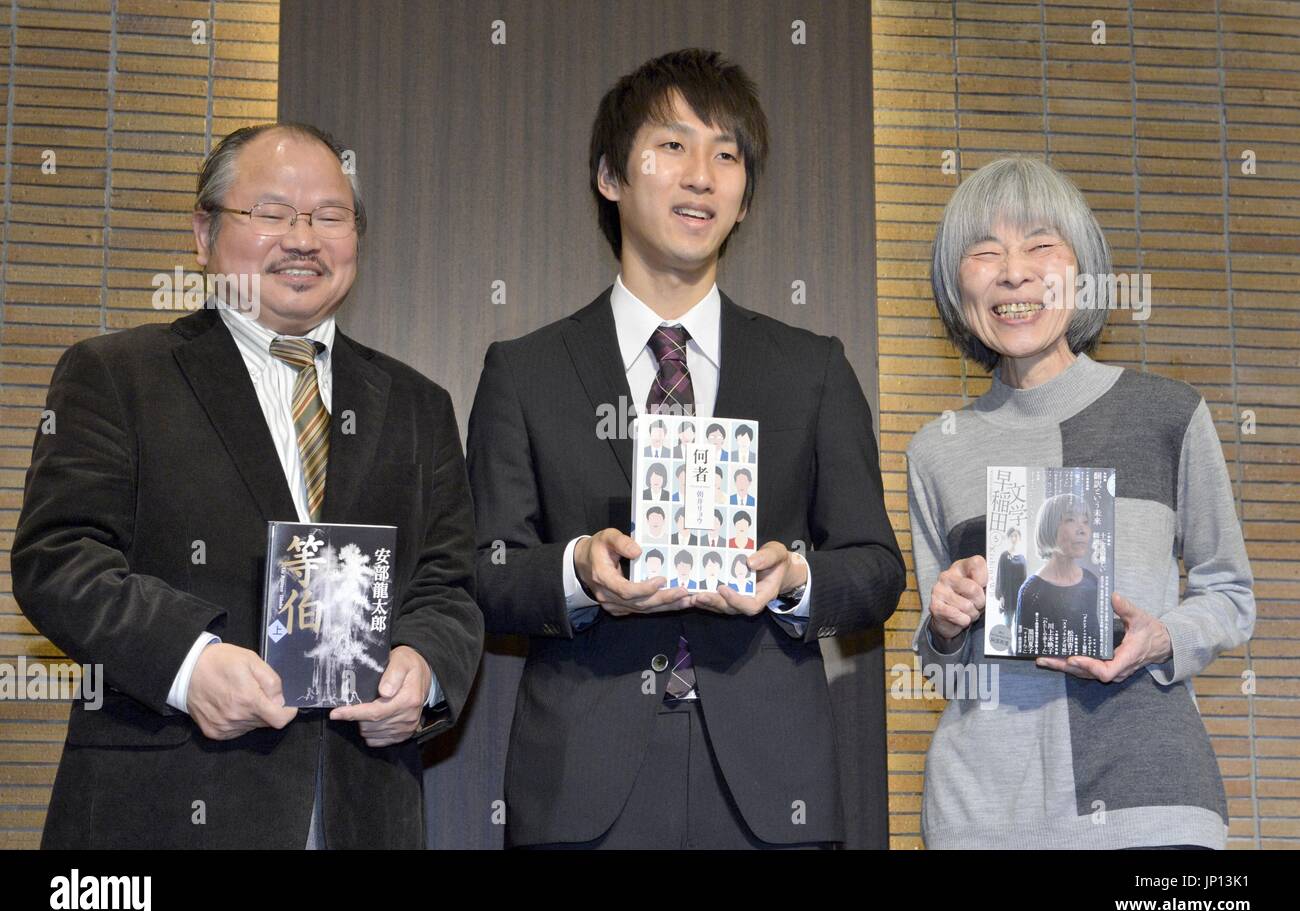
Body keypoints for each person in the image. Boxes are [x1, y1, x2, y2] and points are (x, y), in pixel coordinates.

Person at [468, 49, 903, 849]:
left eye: (727, 154)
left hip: (773, 792)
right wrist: (578, 572)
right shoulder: (524, 370)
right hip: (582, 788)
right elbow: (489, 567)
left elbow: (876, 566)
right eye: (672, 146)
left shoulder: (811, 368)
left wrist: (794, 577)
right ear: (610, 175)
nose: (702, 175)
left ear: (743, 200)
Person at [11, 122, 484, 849]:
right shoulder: (118, 374)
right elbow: (59, 558)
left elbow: (450, 580)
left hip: (363, 811)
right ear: (203, 235)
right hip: (165, 813)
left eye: (330, 216)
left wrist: (424, 668)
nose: (304, 238)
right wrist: (188, 662)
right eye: (270, 213)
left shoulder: (419, 404)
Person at [906, 155, 1254, 849]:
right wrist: (943, 624)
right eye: (984, 252)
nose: (1013, 271)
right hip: (985, 814)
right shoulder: (937, 448)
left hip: (1153, 801)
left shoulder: (1168, 413)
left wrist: (1161, 637)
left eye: (1040, 245)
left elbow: (1230, 594)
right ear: (957, 286)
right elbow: (948, 670)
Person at [1012, 493, 1100, 655]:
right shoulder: (1031, 591)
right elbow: (1024, 653)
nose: (1082, 530)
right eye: (1071, 520)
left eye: (1086, 522)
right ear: (1050, 526)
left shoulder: (1091, 582)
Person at [994, 526, 1027, 626]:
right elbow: (1000, 576)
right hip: (1008, 595)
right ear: (1008, 538)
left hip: (1019, 596)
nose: (1014, 538)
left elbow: (1025, 579)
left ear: (1019, 538)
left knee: (1019, 627)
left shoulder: (1022, 558)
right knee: (1007, 625)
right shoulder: (1004, 555)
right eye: (1012, 536)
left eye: (1016, 536)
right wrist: (1001, 596)